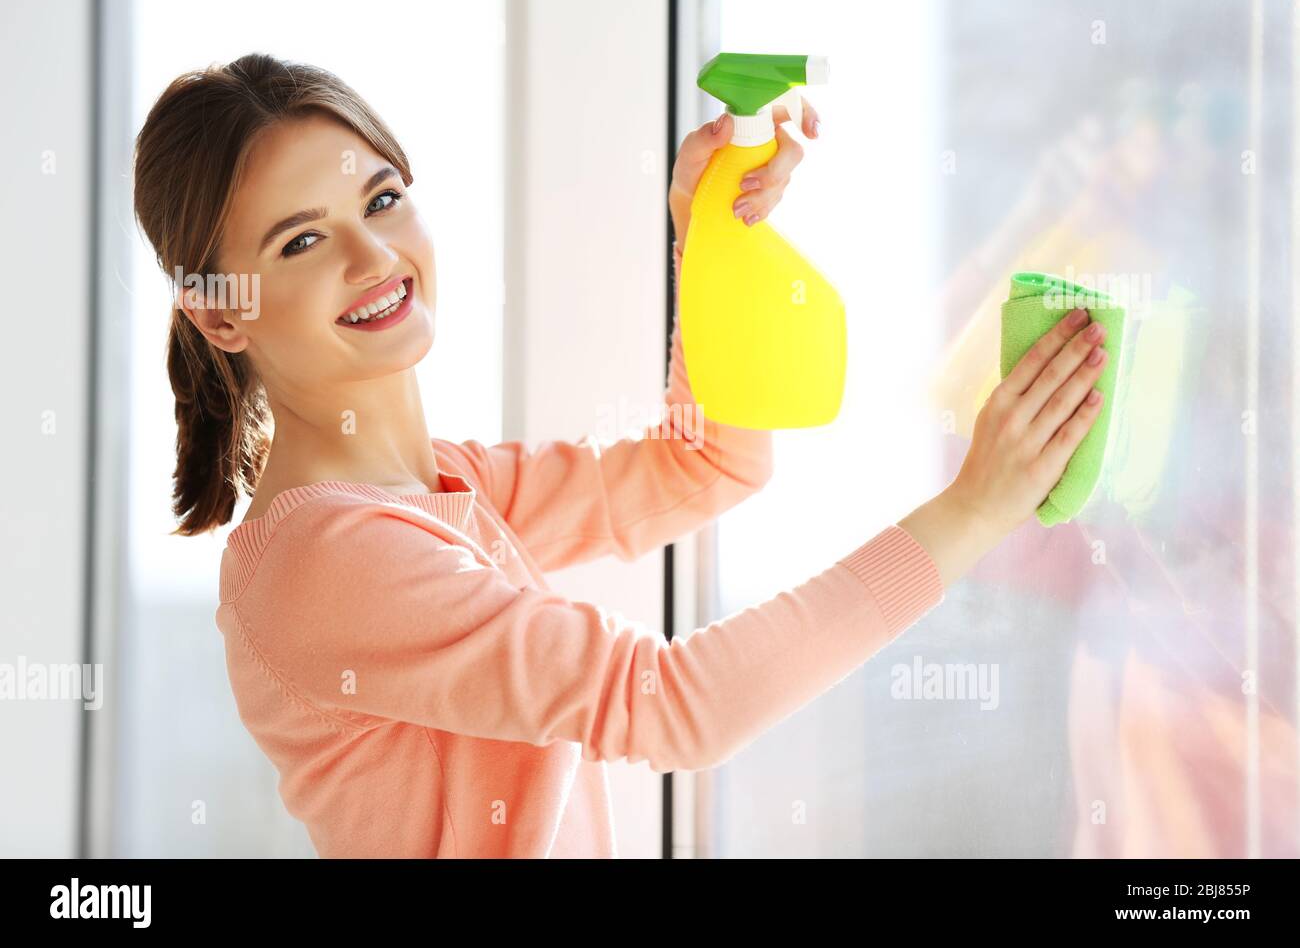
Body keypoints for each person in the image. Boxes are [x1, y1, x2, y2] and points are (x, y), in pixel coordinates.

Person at [133, 53, 1105, 857]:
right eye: (302, 241)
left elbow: (705, 463)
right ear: (222, 310)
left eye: (380, 198)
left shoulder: (448, 488)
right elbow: (681, 706)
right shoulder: (332, 558)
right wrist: (972, 511)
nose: (373, 257)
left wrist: (706, 223)